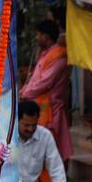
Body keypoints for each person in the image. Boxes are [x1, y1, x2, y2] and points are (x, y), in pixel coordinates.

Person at [21, 19, 72, 164]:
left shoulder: (59, 57)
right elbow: (36, 79)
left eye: (38, 35)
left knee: (52, 148)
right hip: (41, 108)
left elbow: (45, 82)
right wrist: (25, 90)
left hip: (51, 110)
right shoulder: (46, 55)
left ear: (46, 36)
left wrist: (25, 93)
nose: (36, 38)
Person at [15, 99, 70, 182]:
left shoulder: (45, 136)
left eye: (34, 125)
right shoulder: (6, 139)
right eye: (26, 125)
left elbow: (56, 168)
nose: (30, 129)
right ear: (16, 121)